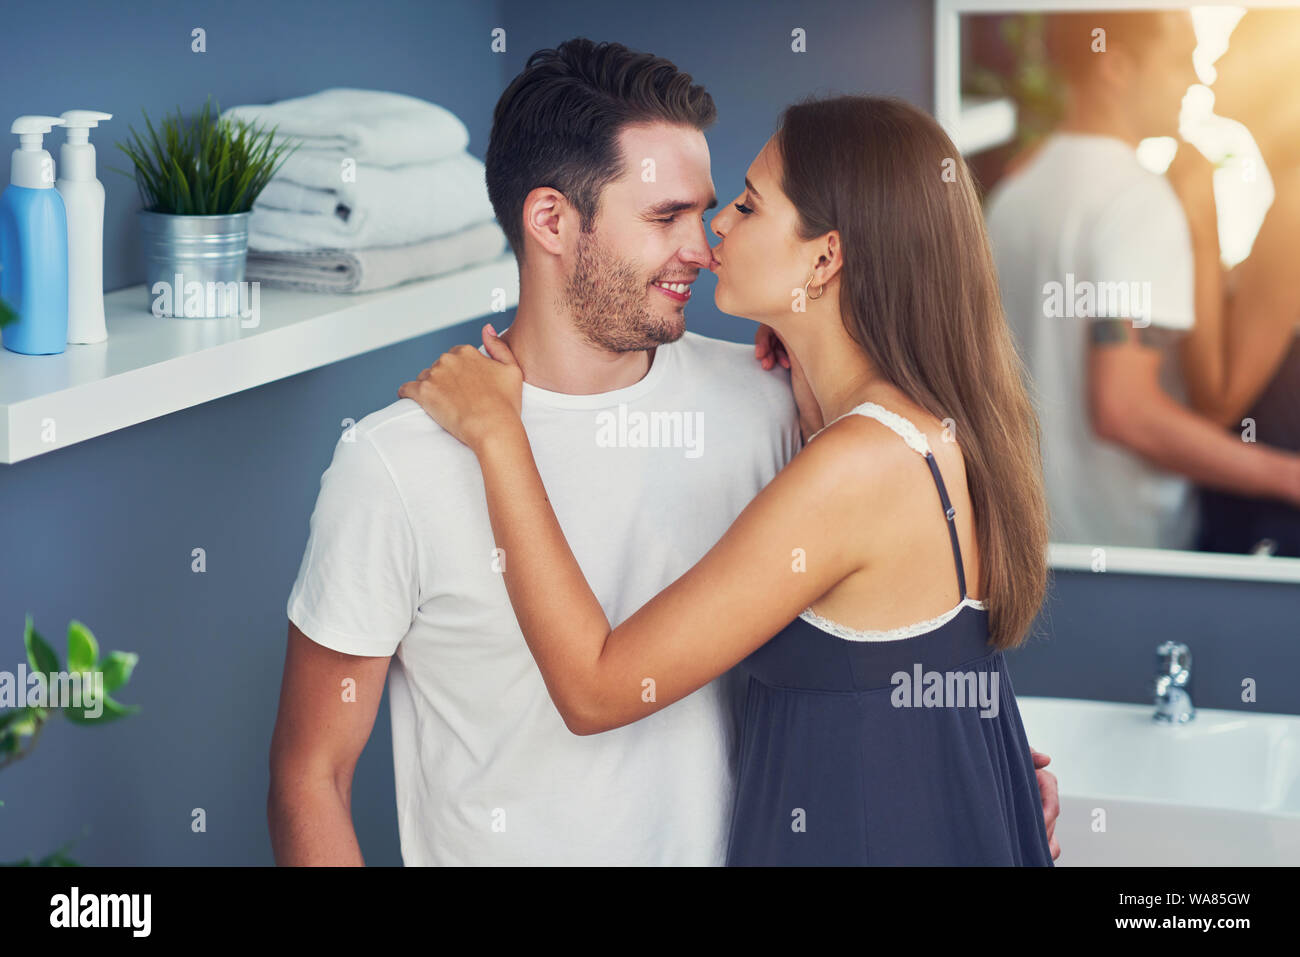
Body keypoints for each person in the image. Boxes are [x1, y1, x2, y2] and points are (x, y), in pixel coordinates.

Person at [397, 92, 1056, 865]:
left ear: (824, 257)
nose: (716, 229)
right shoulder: (917, 431)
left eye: (746, 205)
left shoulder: (853, 468)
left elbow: (598, 687)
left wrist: (497, 433)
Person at [984, 11, 1300, 551]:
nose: (1193, 81)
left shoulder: (1013, 196)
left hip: (1030, 545)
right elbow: (1123, 410)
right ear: (1116, 68)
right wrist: (1286, 477)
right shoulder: (1139, 203)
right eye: (1178, 60)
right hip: (1132, 546)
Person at [1185, 9, 1300, 555]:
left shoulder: (1294, 208)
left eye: (1233, 45)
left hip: (1271, 528)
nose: (1213, 62)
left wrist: (1201, 233)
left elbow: (1221, 402)